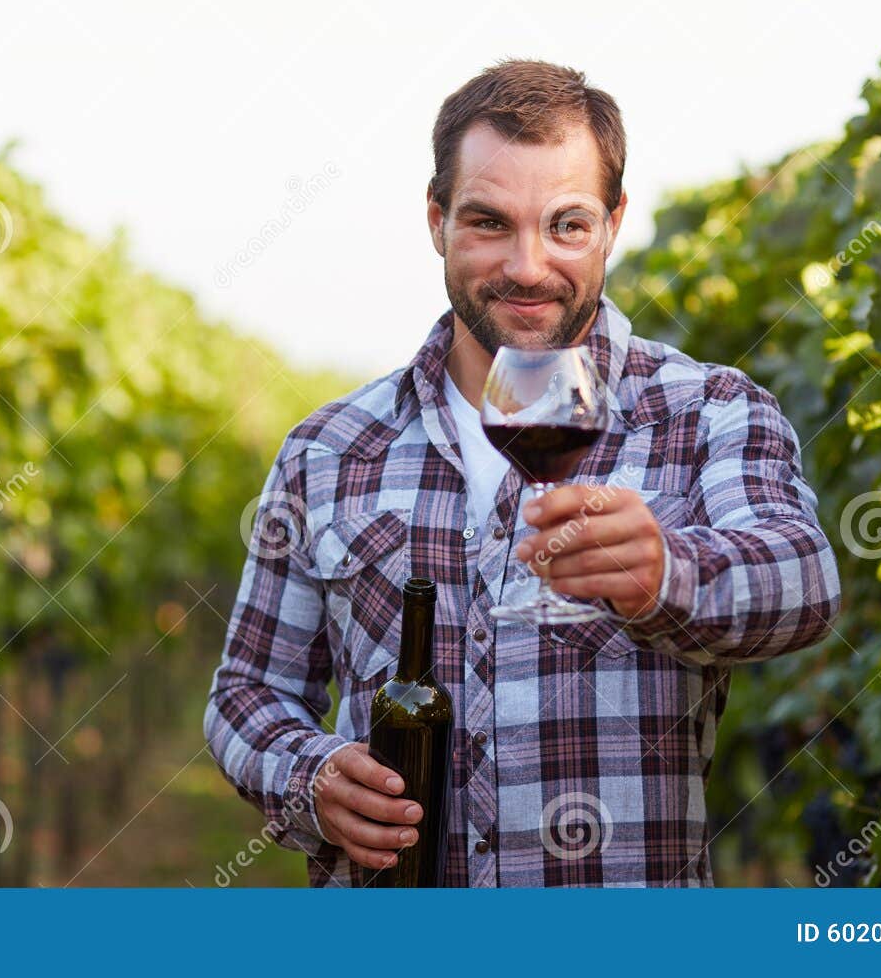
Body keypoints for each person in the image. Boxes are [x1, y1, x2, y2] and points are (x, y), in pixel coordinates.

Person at [204, 58, 842, 886]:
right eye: (489, 223)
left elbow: (805, 579)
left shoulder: (708, 412)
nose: (529, 265)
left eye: (566, 225)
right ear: (436, 221)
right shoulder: (330, 450)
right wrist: (309, 779)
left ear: (614, 222)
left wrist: (666, 574)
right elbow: (247, 693)